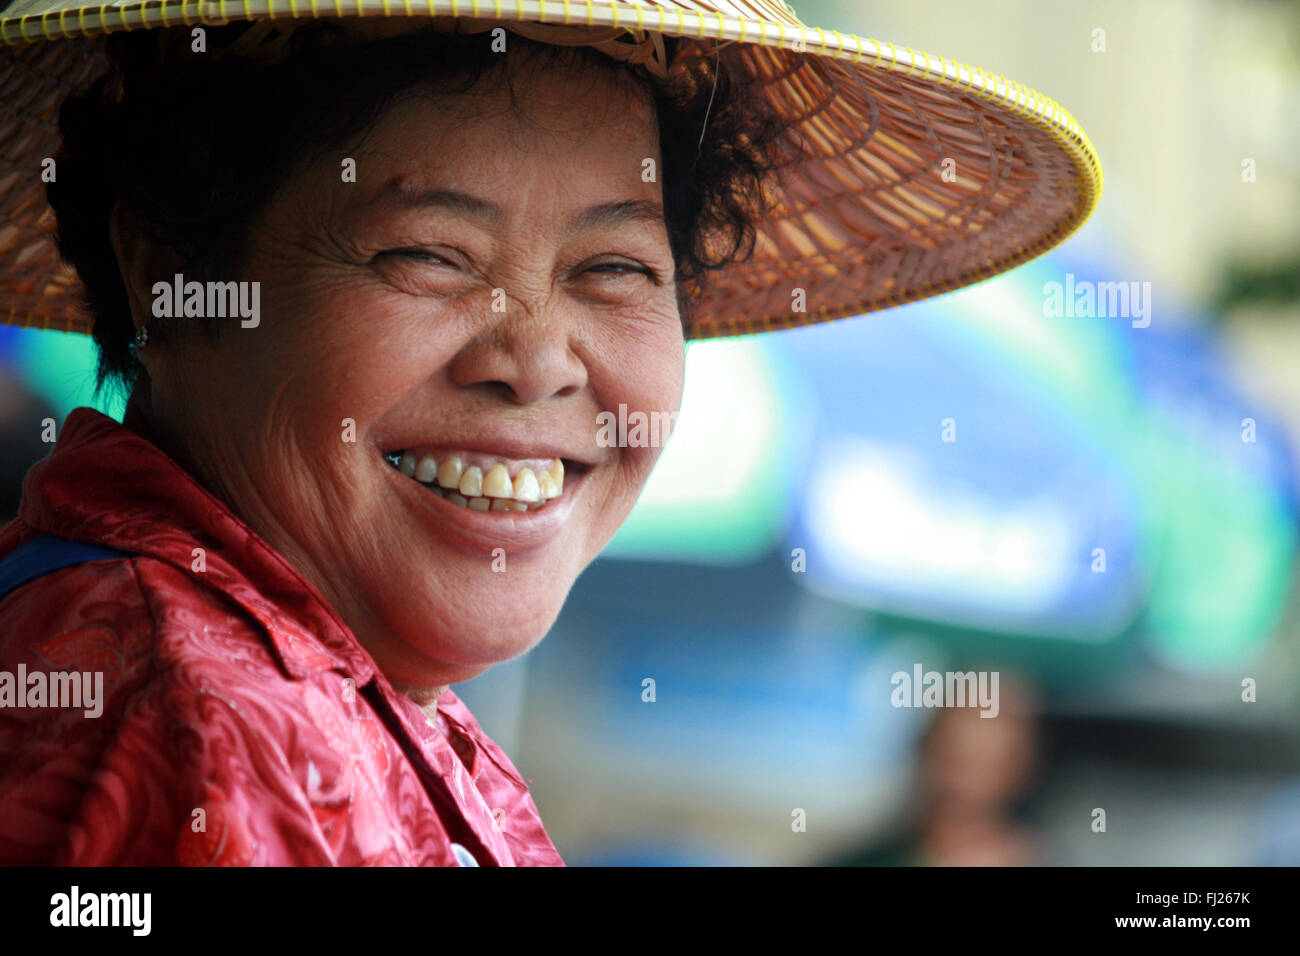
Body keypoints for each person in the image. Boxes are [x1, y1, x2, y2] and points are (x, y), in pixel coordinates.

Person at [0, 3, 1101, 865]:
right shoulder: (212, 723)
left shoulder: (294, 678)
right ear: (169, 269)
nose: (535, 357)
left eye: (614, 269)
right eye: (428, 254)